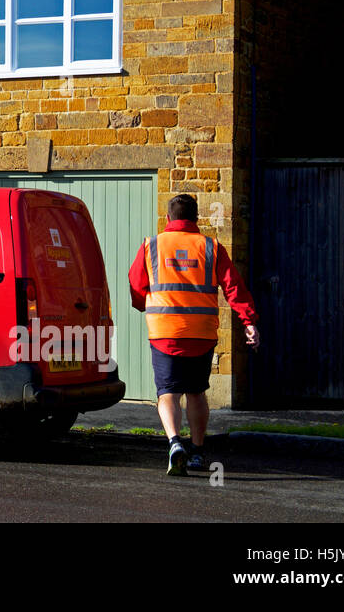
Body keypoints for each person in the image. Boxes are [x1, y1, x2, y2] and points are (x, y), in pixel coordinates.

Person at [128, 194, 260, 476]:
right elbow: (233, 287)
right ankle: (198, 451)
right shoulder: (211, 247)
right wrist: (248, 321)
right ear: (196, 219)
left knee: (168, 394)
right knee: (197, 392)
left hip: (165, 332)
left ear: (168, 218)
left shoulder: (151, 246)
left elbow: (136, 284)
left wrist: (142, 304)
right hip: (201, 333)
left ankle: (175, 443)